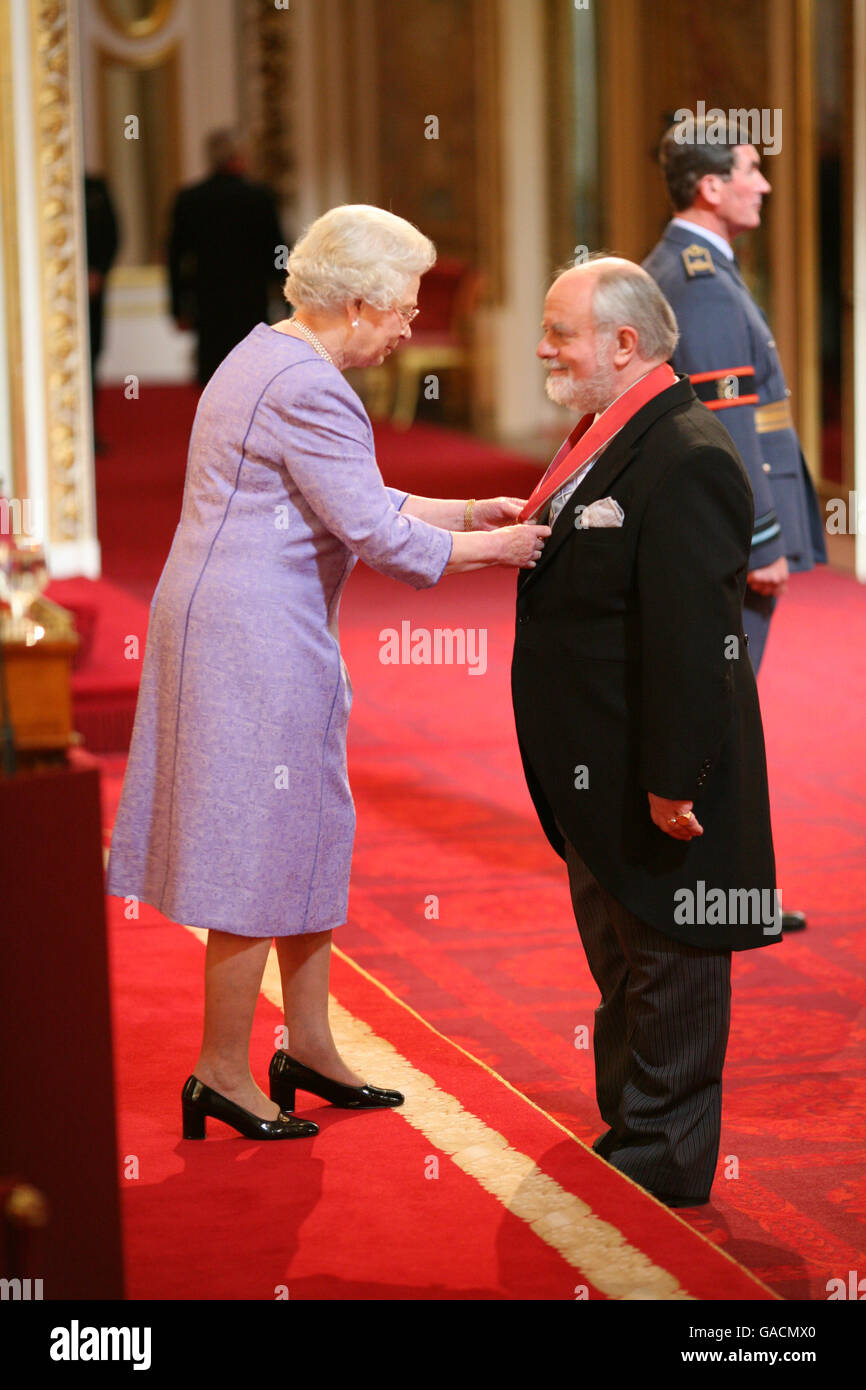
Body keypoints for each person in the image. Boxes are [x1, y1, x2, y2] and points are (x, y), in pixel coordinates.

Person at [106, 204, 550, 1142]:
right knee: (255, 846)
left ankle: (306, 1045)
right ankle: (221, 1070)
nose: (408, 327)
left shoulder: (270, 355)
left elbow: (356, 494)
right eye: (403, 308)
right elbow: (376, 533)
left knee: (306, 822)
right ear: (356, 303)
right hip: (250, 635)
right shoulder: (307, 385)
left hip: (245, 619)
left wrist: (469, 512)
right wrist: (506, 547)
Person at [511, 257, 779, 1207]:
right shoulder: (608, 437)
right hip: (599, 779)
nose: (543, 346)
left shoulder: (688, 454)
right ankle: (632, 1128)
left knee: (671, 963)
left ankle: (665, 1159)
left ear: (625, 345)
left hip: (660, 782)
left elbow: (696, 644)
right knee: (624, 962)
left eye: (561, 331)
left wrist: (676, 779)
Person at [643, 121, 826, 931]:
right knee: (720, 713)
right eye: (752, 169)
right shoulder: (702, 281)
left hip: (714, 531)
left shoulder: (696, 268)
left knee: (715, 706)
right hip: (731, 536)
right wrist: (763, 542)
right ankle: (721, 892)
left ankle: (724, 887)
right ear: (710, 188)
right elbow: (728, 426)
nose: (765, 184)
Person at [168, 129, 288, 385]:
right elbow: (278, 250)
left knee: (213, 374)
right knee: (251, 372)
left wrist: (177, 305)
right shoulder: (260, 197)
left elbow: (175, 256)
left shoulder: (190, 199)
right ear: (240, 157)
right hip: (250, 299)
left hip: (207, 300)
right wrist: (284, 292)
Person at [84, 172, 119, 452]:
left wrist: (98, 271)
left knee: (91, 354)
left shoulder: (95, 189)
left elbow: (112, 234)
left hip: (93, 292)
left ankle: (87, 427)